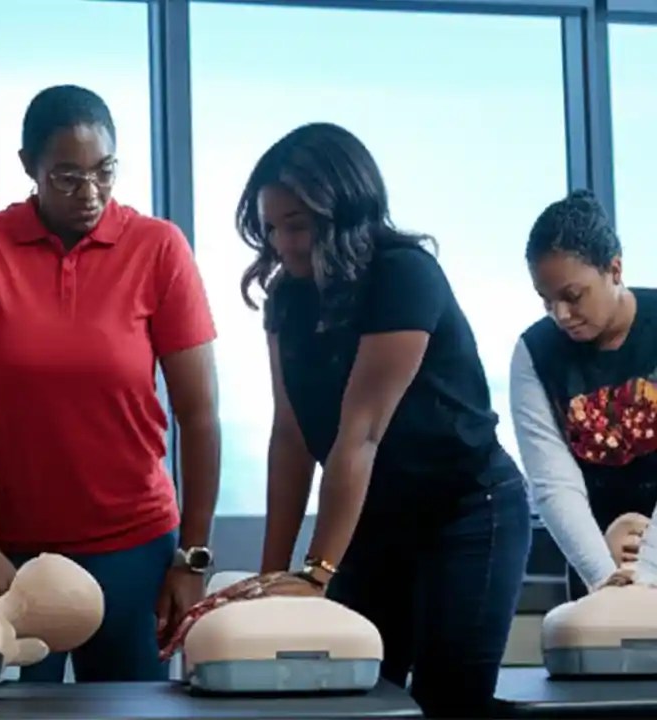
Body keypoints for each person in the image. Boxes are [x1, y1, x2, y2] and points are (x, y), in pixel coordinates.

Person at [0, 84, 220, 683]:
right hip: (10, 553)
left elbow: (200, 413)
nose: (90, 193)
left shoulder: (159, 248)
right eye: (67, 177)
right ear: (29, 166)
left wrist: (192, 558)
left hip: (136, 549)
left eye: (104, 171)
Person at [240, 122, 530, 718]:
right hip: (374, 521)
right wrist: (273, 579)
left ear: (342, 212)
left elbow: (361, 435)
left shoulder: (404, 275)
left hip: (467, 513)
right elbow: (290, 439)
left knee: (448, 701)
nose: (282, 244)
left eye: (297, 224)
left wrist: (315, 574)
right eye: (271, 228)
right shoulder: (287, 299)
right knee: (358, 699)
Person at [510, 189, 657, 599]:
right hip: (596, 556)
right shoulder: (535, 353)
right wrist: (605, 579)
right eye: (546, 301)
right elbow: (553, 482)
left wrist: (648, 571)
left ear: (614, 269)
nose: (561, 315)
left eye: (573, 297)